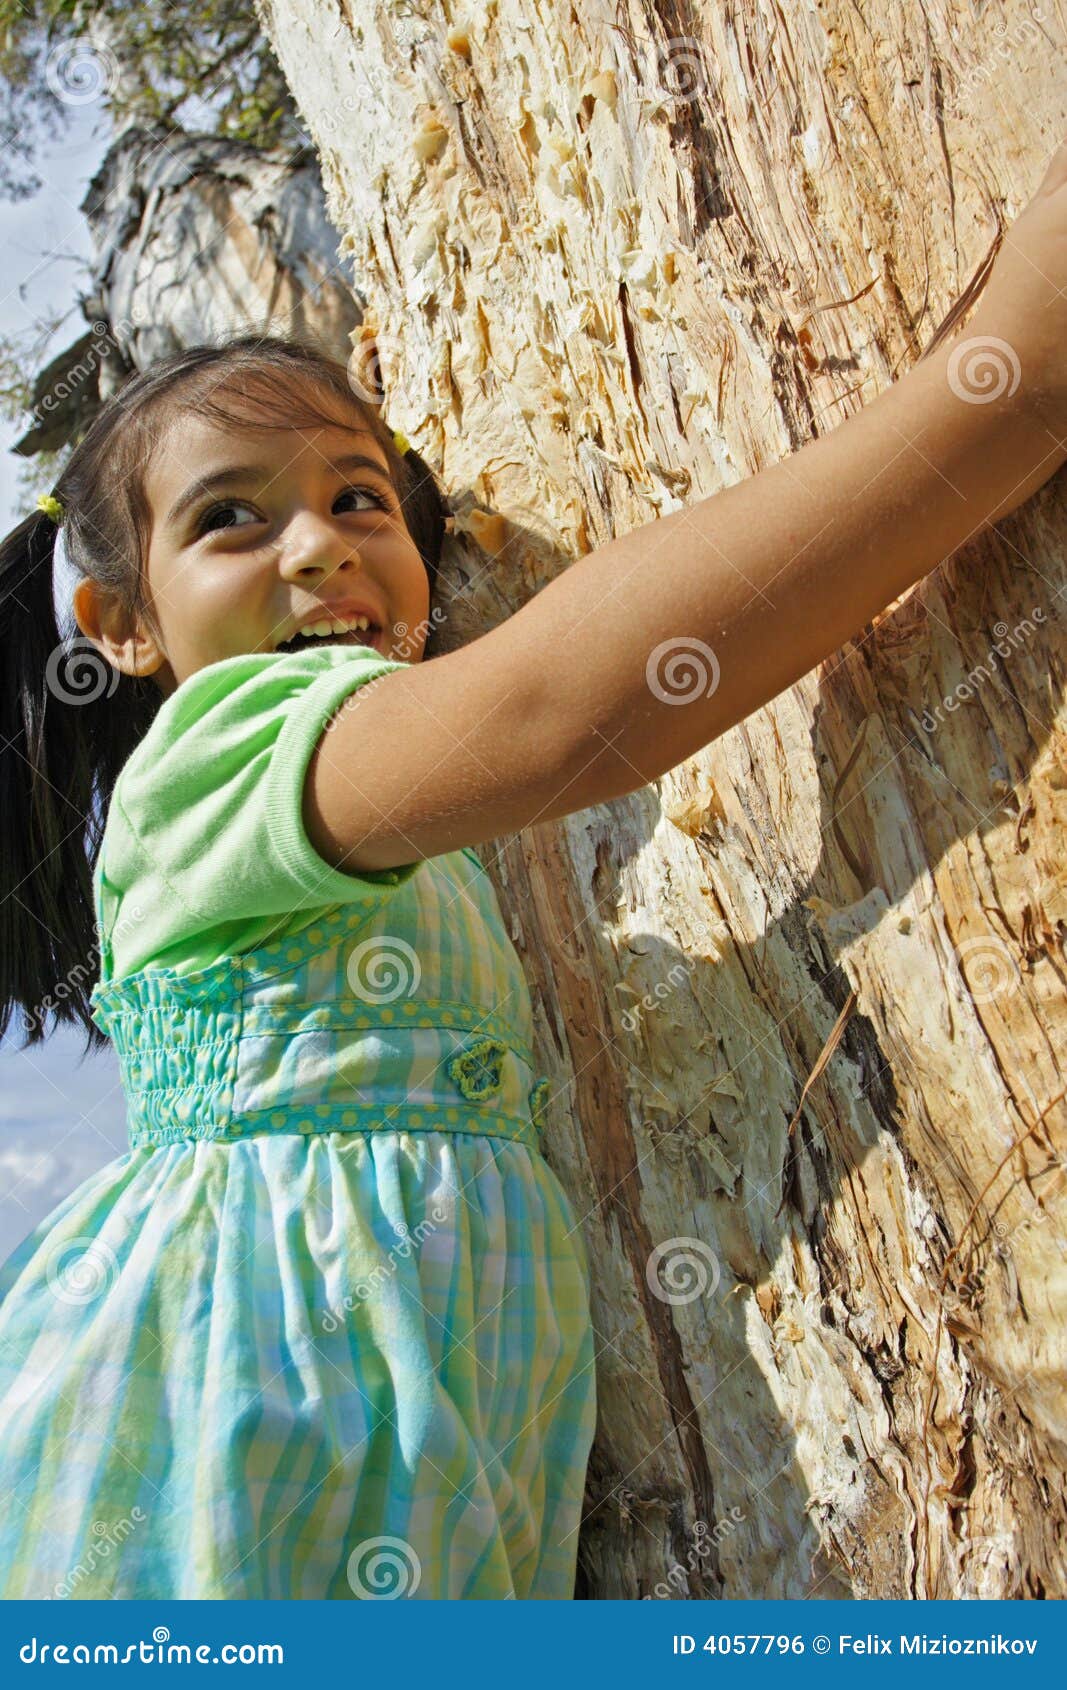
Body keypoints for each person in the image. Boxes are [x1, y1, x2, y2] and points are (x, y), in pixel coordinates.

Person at [0, 134, 1064, 1600]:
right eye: (229, 518)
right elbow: (568, 709)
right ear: (125, 627)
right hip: (214, 1475)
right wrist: (1001, 386)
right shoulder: (221, 751)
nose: (317, 545)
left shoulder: (365, 836)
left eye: (361, 499)